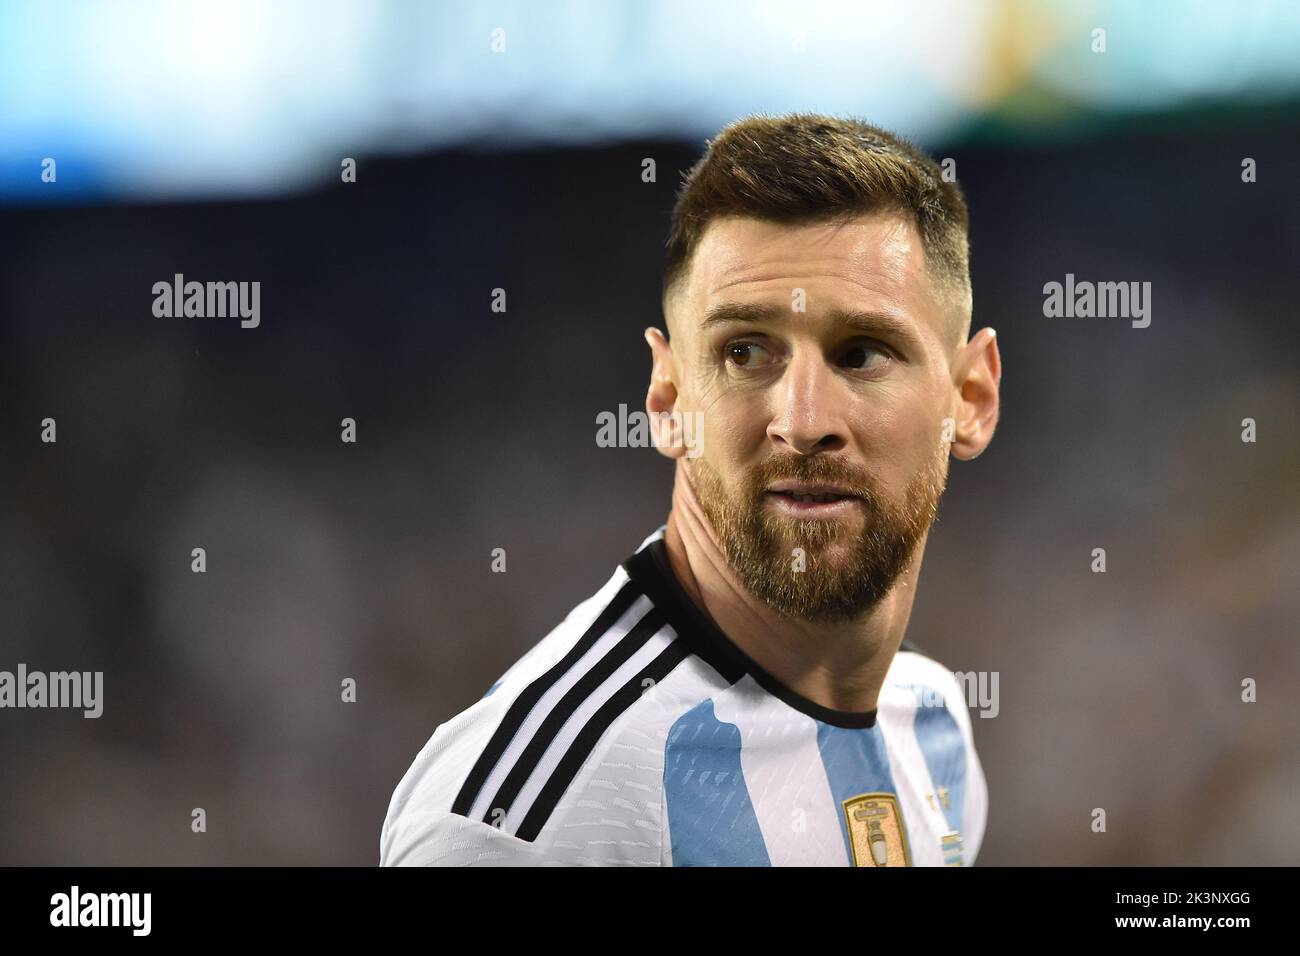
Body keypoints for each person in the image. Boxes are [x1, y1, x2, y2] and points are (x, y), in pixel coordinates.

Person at [381, 112, 1002, 866]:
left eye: (862, 353)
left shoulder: (932, 728)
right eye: (745, 351)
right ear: (669, 400)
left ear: (969, 399)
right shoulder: (524, 826)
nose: (803, 422)